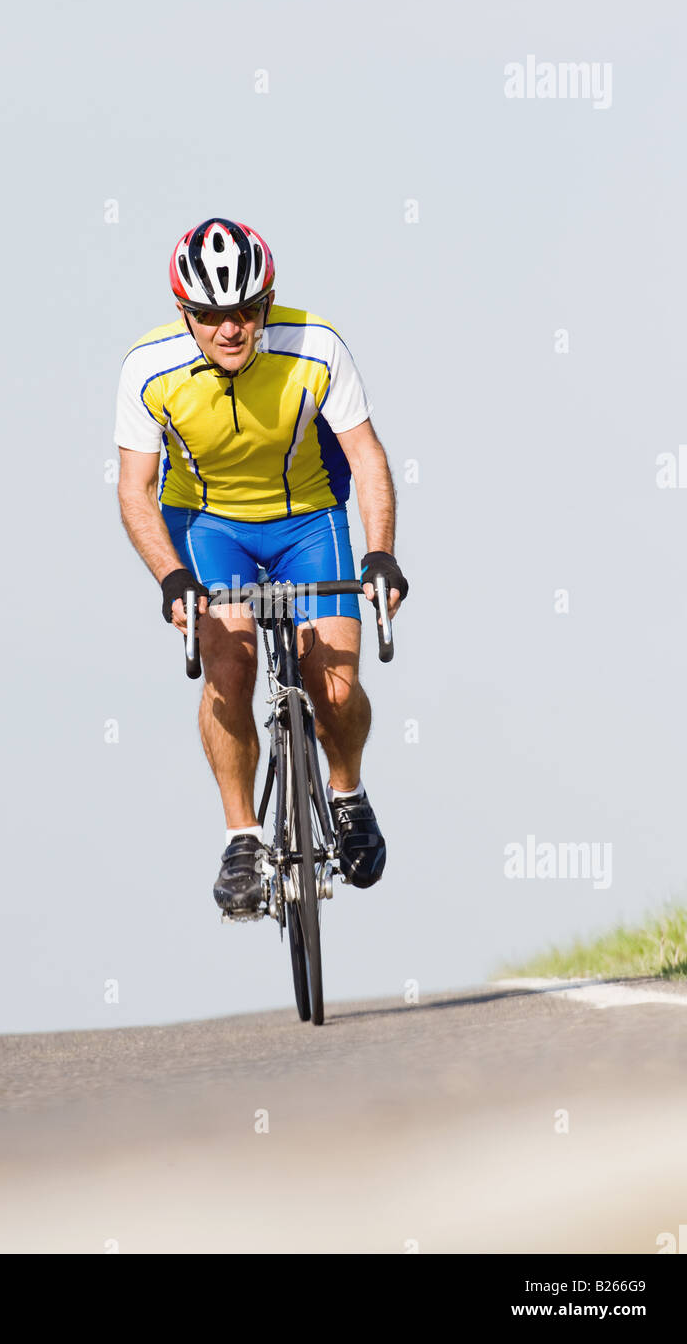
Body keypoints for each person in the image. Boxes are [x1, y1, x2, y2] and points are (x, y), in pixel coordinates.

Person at [115, 217, 408, 914]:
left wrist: (379, 555)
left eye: (244, 311)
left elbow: (366, 457)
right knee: (229, 668)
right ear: (184, 312)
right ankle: (241, 837)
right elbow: (133, 490)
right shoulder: (146, 369)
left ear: (266, 306)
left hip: (307, 519)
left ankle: (347, 792)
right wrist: (172, 577)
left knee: (333, 690)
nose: (229, 329)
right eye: (210, 315)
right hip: (207, 526)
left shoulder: (318, 348)